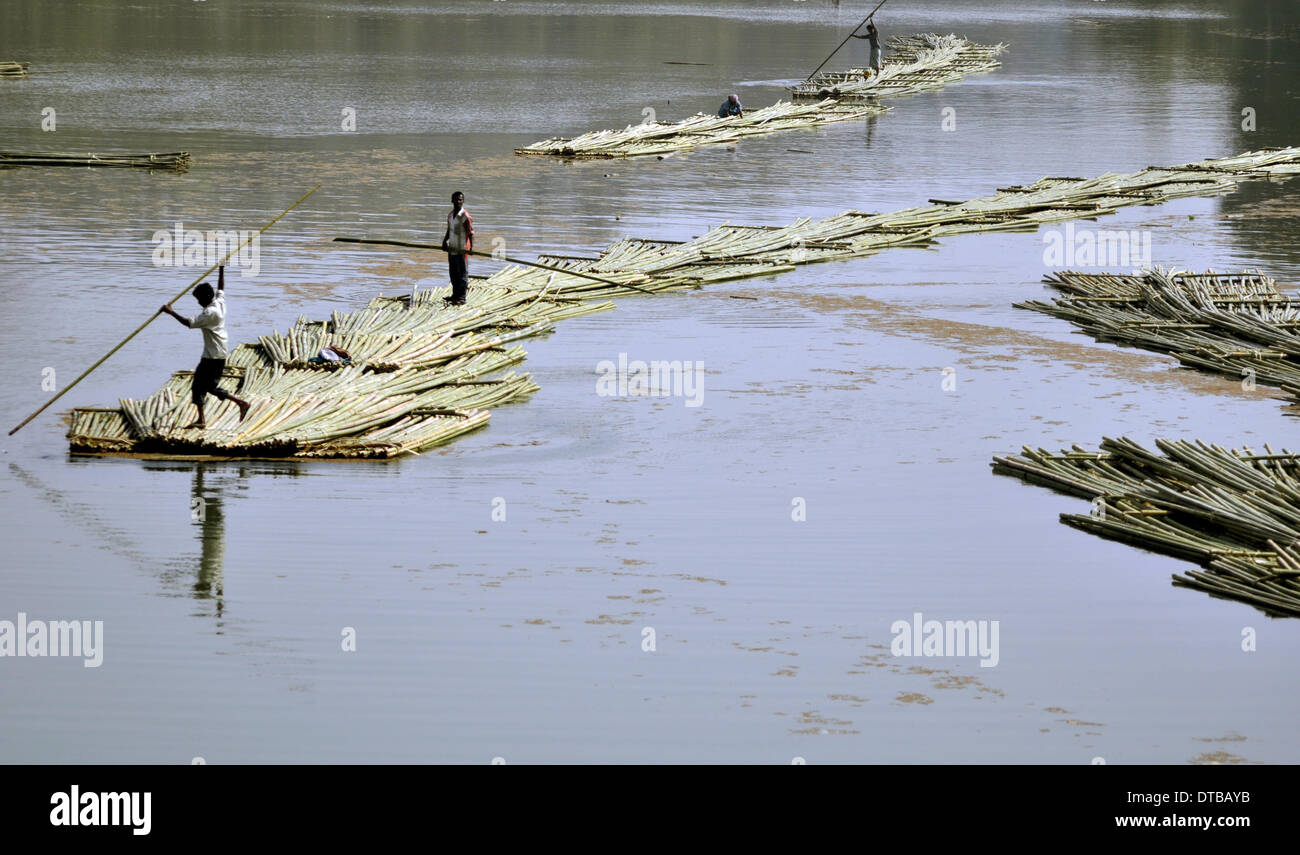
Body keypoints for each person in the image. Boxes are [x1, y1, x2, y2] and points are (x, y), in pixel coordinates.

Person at [159, 265, 251, 429]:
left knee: (205, 387)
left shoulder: (210, 313)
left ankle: (240, 403)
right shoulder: (219, 302)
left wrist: (170, 311)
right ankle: (203, 419)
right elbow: (221, 288)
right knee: (201, 386)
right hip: (216, 352)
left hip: (212, 356)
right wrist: (221, 269)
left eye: (199, 299)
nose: (198, 303)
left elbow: (189, 323)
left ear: (206, 297)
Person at [441, 190, 474, 305]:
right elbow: (449, 230)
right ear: (452, 201)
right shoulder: (450, 215)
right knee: (453, 273)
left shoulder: (465, 215)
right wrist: (445, 241)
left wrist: (471, 248)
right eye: (456, 199)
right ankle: (455, 295)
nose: (458, 201)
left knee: (462, 273)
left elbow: (470, 232)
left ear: (463, 201)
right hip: (452, 247)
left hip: (462, 248)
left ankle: (461, 298)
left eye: (460, 199)